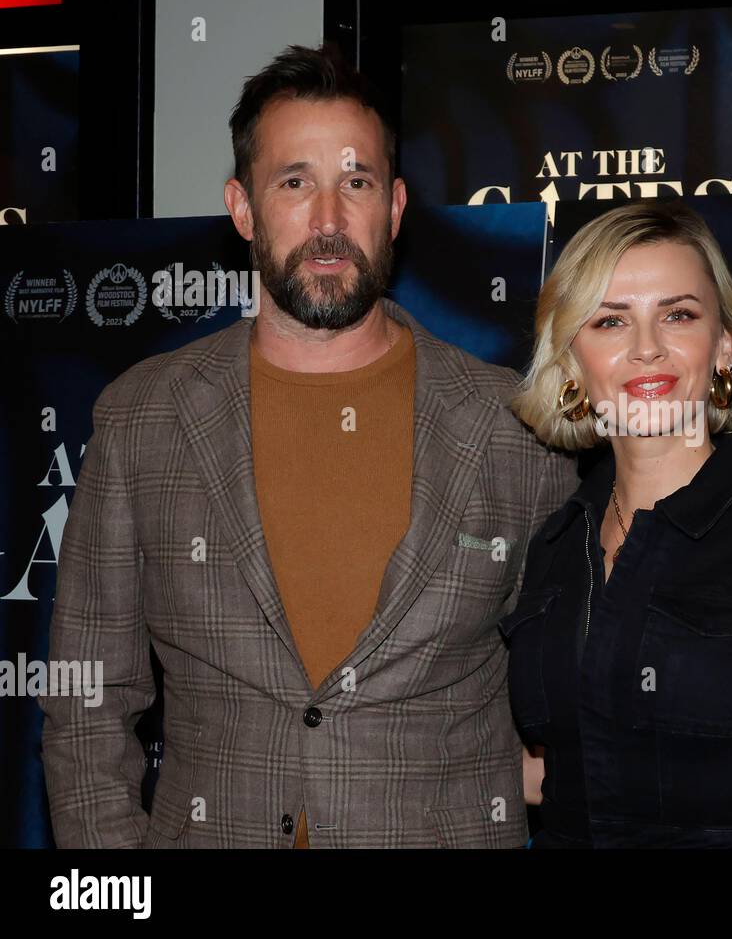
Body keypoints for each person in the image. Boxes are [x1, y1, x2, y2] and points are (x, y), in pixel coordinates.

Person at [39, 43, 576, 848]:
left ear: (393, 208)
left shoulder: (514, 424)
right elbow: (87, 701)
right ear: (243, 207)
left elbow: (587, 679)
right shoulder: (142, 418)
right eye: (295, 182)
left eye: (355, 182)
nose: (328, 221)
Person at [502, 199, 732, 847]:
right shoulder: (555, 548)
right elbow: (551, 768)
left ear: (725, 346)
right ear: (571, 361)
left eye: (678, 315)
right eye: (611, 321)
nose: (647, 348)